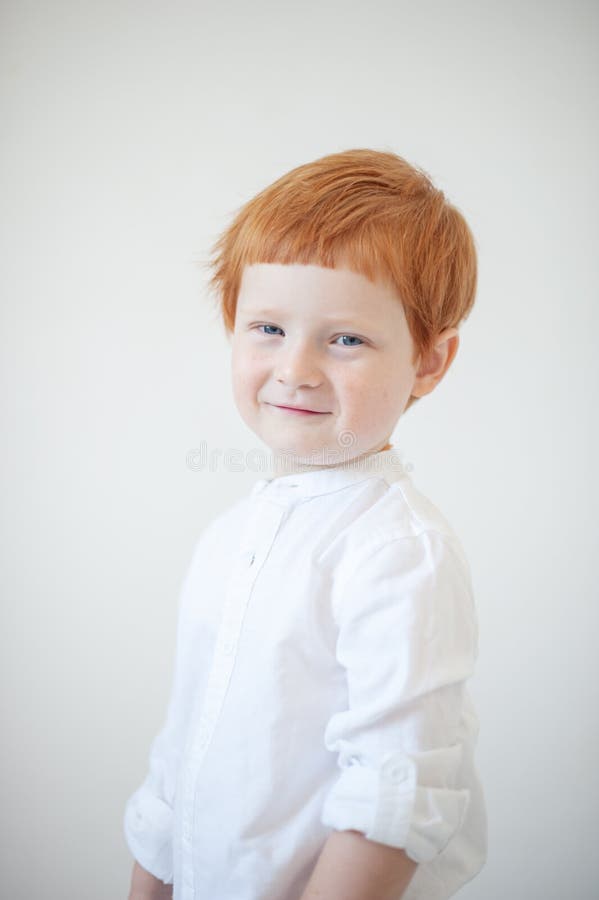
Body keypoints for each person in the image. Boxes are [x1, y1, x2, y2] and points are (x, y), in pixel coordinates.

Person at [123, 148, 488, 900]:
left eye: (344, 338)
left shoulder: (395, 551)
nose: (295, 368)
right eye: (266, 328)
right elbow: (178, 763)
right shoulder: (230, 537)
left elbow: (395, 797)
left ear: (428, 362)